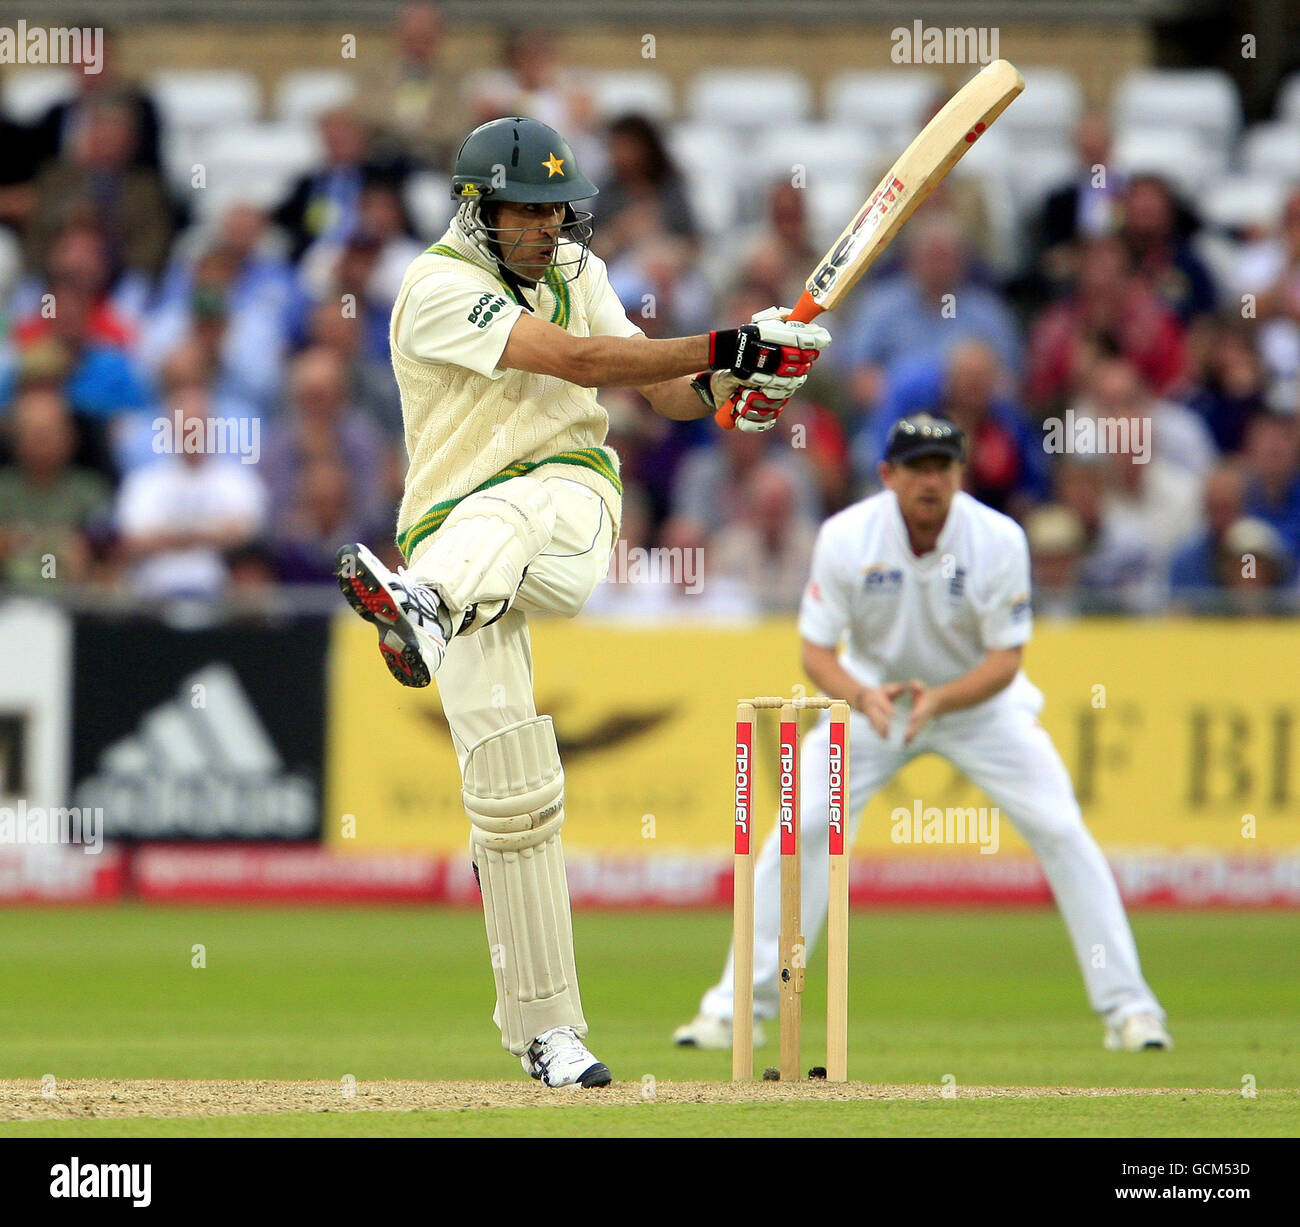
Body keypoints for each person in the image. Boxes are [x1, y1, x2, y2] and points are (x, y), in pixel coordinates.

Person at [332, 116, 830, 1088]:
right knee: (512, 799)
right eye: (529, 214)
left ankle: (422, 607)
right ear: (479, 214)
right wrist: (728, 345)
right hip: (451, 541)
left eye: (560, 212)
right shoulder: (436, 286)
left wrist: (742, 371)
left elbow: (666, 393)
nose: (550, 230)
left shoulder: (579, 275)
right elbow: (577, 362)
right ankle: (548, 1034)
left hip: (569, 507)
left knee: (520, 503)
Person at [673, 413, 1172, 1055]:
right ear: (888, 475)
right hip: (874, 697)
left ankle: (1131, 1010)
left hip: (978, 705)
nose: (930, 481)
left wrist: (940, 700)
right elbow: (817, 651)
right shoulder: (848, 536)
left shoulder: (998, 538)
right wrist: (861, 696)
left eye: (943, 467)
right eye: (917, 468)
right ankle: (736, 1008)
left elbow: (1006, 659)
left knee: (1060, 827)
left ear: (961, 474)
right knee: (802, 825)